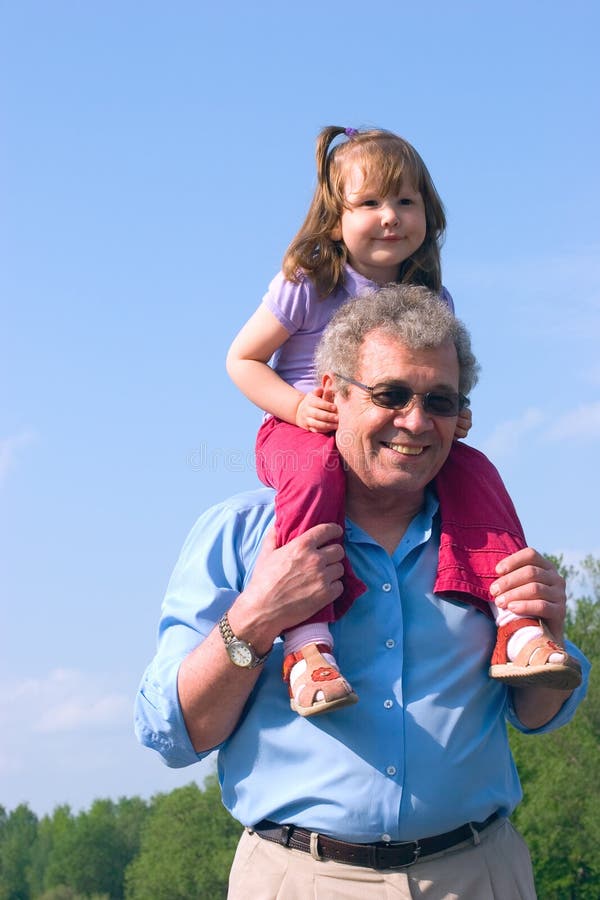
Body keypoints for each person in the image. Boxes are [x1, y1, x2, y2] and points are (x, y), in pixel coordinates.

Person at [135, 285, 589, 899]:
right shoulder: (240, 534)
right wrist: (254, 619)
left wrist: (550, 632)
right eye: (391, 394)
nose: (416, 421)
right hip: (301, 879)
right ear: (330, 394)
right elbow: (173, 731)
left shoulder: (486, 536)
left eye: (439, 400)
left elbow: (537, 715)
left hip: (481, 874)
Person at [225, 125, 580, 717]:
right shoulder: (310, 282)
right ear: (333, 216)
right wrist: (295, 406)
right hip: (300, 431)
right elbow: (242, 358)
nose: (390, 217)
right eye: (368, 203)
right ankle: (308, 645)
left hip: (376, 433)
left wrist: (452, 408)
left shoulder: (432, 299)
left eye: (405, 201)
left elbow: (439, 376)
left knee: (473, 470)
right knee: (313, 472)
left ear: (427, 212)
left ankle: (516, 620)